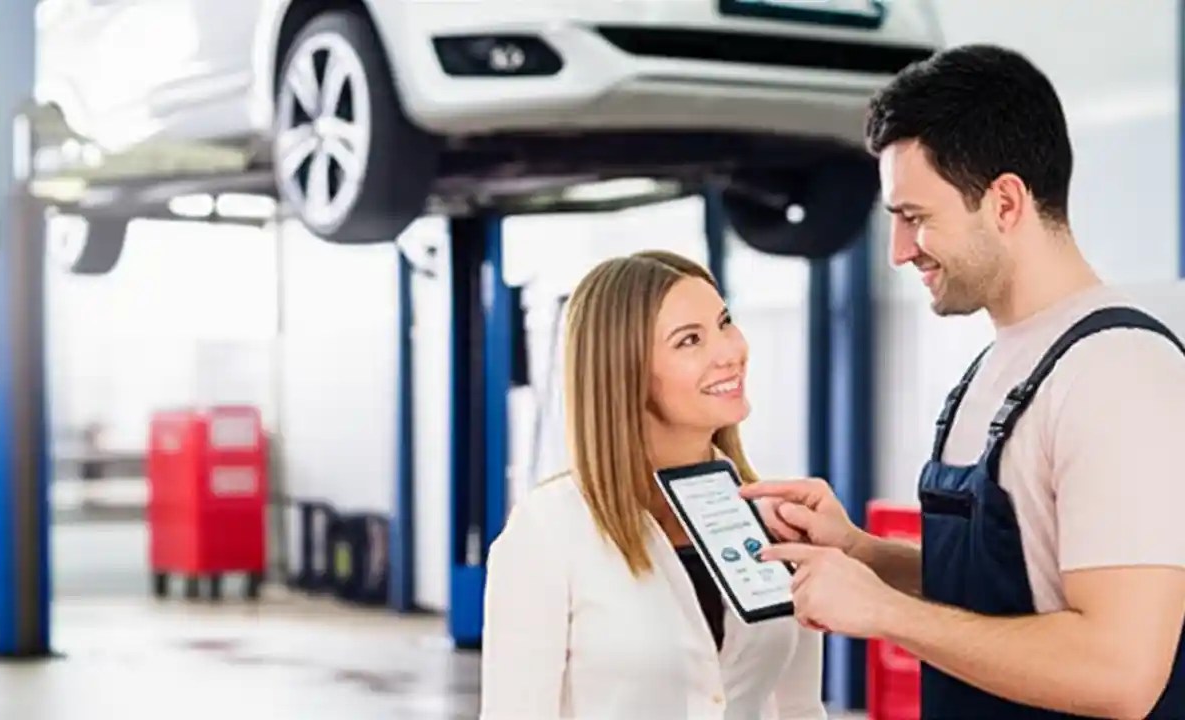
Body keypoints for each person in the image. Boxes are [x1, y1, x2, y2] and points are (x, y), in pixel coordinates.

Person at [742, 44, 1185, 719]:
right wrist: (862, 553)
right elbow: (1015, 593)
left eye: (914, 217)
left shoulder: (1117, 374)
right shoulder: (1002, 363)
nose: (898, 251)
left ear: (1005, 202)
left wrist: (886, 612)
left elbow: (1120, 673)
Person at [480, 250, 825, 719]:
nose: (730, 351)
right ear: (626, 372)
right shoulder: (547, 532)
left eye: (725, 322)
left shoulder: (773, 518)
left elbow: (800, 709)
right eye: (690, 340)